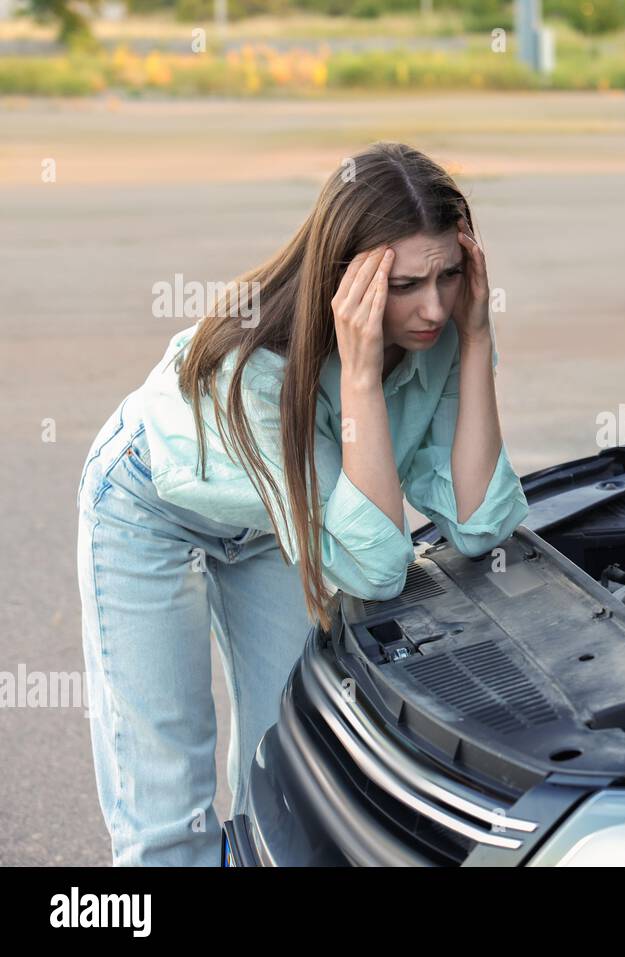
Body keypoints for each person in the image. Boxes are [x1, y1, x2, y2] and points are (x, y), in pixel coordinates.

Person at [74, 142, 529, 866]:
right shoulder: (251, 369)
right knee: (166, 805)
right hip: (150, 505)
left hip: (281, 527)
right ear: (344, 281)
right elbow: (377, 567)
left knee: (279, 772)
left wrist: (476, 341)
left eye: (449, 275)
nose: (434, 305)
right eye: (407, 283)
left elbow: (480, 523)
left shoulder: (442, 329)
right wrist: (359, 375)